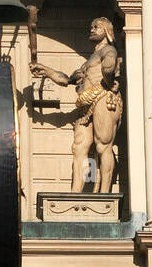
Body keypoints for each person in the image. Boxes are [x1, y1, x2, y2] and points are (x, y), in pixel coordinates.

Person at [31, 15, 123, 193]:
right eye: (91, 26)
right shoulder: (88, 63)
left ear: (106, 31)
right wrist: (47, 71)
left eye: (96, 26)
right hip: (86, 105)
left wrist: (109, 69)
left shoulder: (108, 50)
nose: (92, 29)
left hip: (103, 98)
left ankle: (104, 194)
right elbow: (66, 79)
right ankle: (75, 193)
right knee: (79, 146)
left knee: (103, 144)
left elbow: (110, 62)